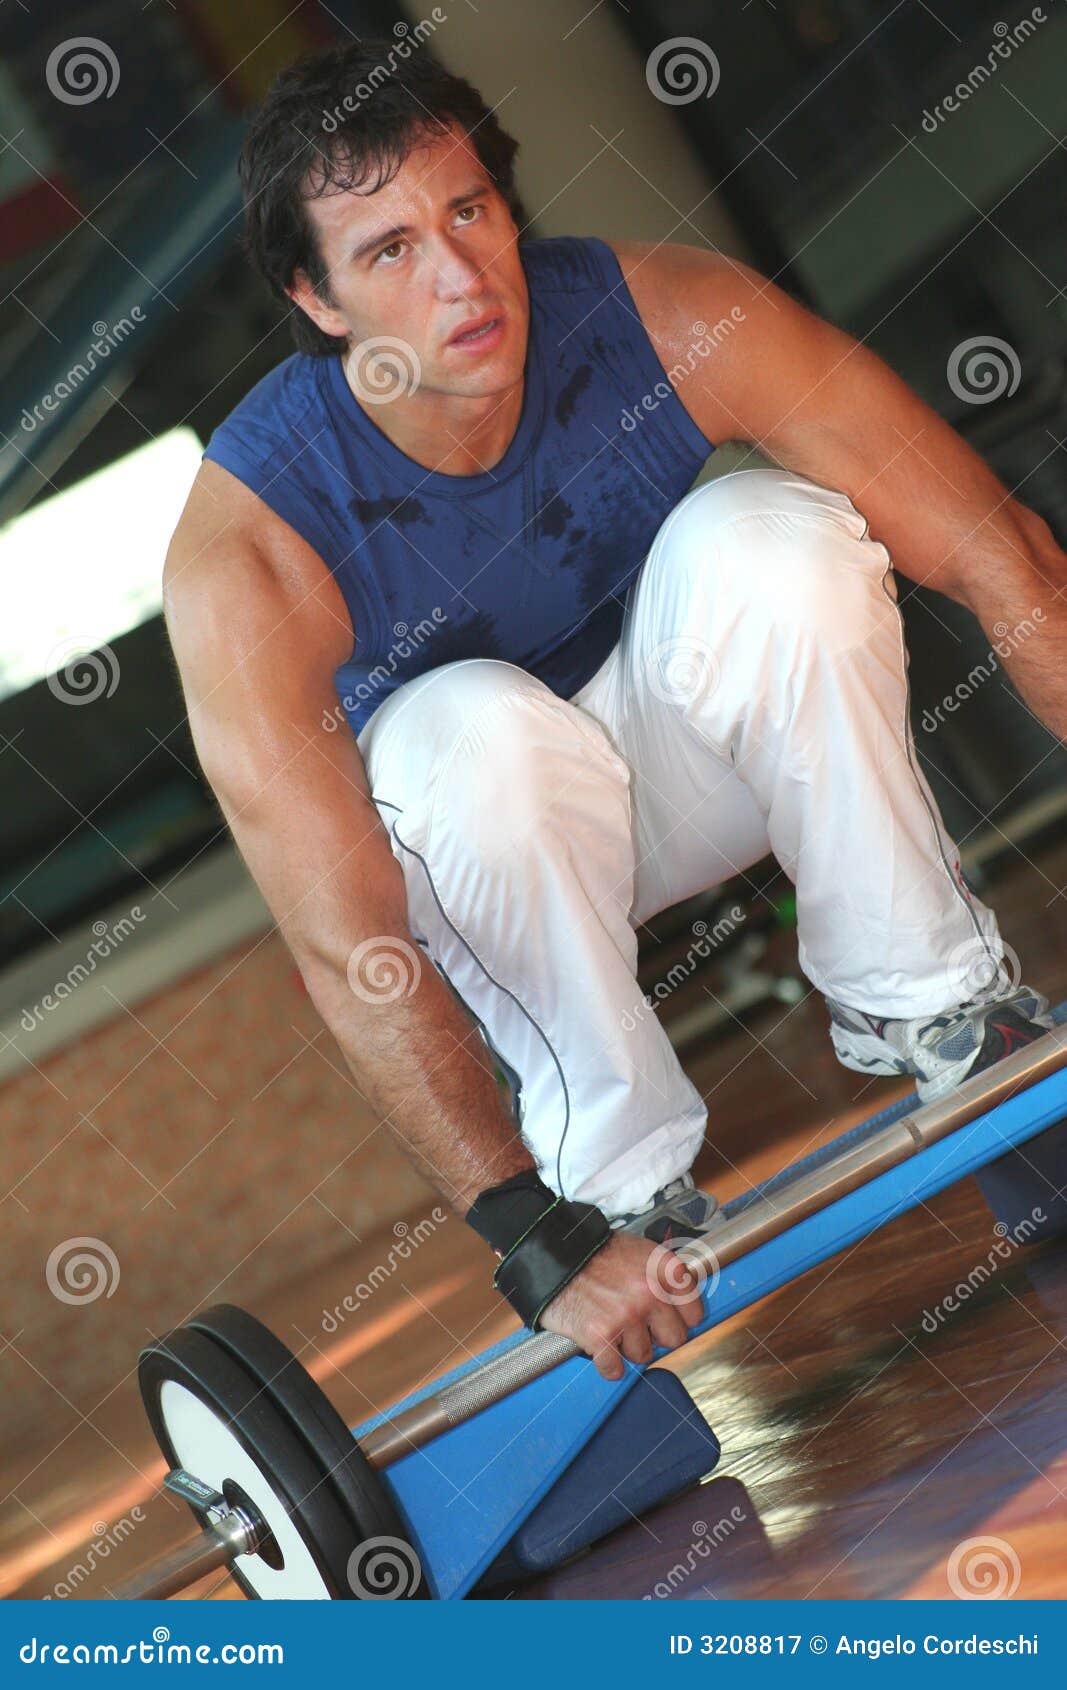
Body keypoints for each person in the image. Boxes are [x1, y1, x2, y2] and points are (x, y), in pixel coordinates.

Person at [164, 42, 1060, 1381]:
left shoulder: (673, 315)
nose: (460, 276)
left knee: (771, 540)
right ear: (315, 296)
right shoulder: (251, 545)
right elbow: (352, 945)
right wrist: (528, 1235)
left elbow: (1009, 564)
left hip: (708, 762)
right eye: (390, 250)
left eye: (469, 211)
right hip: (497, 851)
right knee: (461, 729)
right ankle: (620, 1185)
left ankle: (946, 1011)